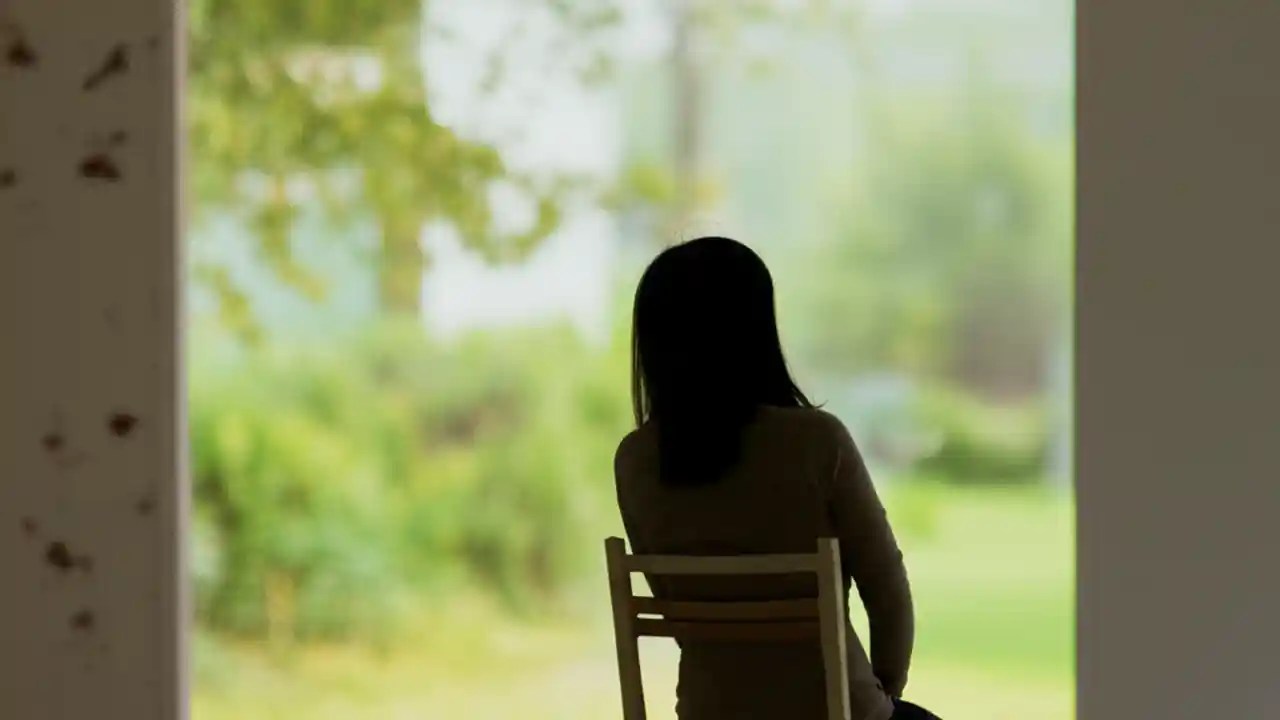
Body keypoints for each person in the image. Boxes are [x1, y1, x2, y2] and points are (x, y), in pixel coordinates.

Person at [614, 237, 940, 720]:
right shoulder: (817, 442)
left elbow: (675, 608)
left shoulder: (636, 460)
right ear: (755, 331)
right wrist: (880, 696)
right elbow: (889, 597)